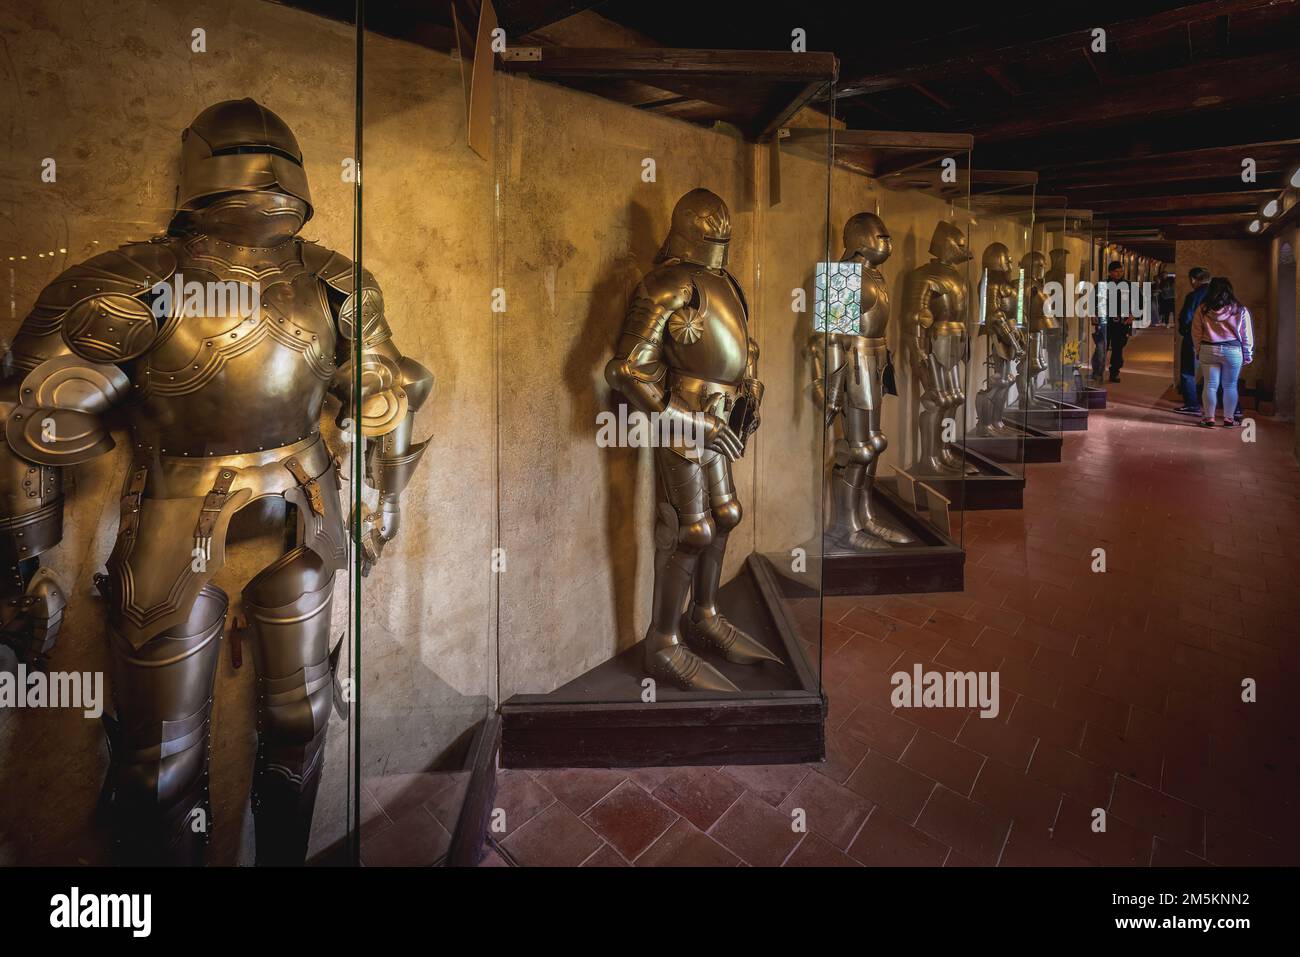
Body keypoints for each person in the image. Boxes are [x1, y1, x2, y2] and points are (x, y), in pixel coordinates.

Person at [1192, 277, 1254, 428]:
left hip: (1208, 348)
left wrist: (1198, 349)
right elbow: (1246, 334)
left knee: (1210, 385)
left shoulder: (1203, 308)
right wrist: (1248, 353)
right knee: (1230, 386)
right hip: (1233, 351)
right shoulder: (1239, 309)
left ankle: (1209, 418)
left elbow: (1196, 332)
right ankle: (1228, 419)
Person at [1175, 267, 1211, 414]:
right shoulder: (1218, 294)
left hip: (1193, 338)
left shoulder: (1194, 296)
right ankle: (1233, 409)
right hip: (1214, 340)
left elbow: (1186, 317)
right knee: (1216, 375)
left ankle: (1192, 404)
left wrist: (1184, 331)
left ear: (1193, 280)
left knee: (1188, 371)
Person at [1103, 261, 1133, 382]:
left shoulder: (1129, 285)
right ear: (1110, 272)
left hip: (1121, 323)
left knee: (1117, 349)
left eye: (1121, 271)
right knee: (1102, 348)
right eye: (1116, 271)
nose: (1119, 273)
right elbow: (1095, 301)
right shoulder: (1103, 285)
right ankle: (1098, 372)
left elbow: (1139, 302)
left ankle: (1114, 373)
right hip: (1106, 321)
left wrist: (1133, 315)